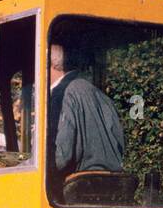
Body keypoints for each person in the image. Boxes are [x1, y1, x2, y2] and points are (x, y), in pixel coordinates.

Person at [49, 39, 124, 180]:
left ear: (49, 65)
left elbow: (60, 157)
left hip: (78, 188)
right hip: (114, 183)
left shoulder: (62, 94)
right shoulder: (99, 94)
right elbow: (119, 141)